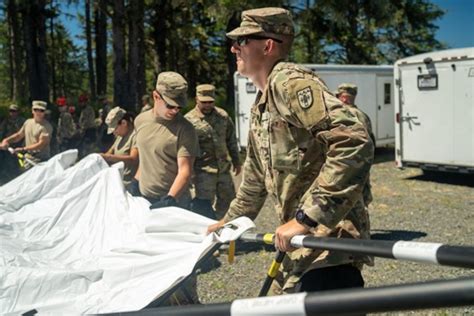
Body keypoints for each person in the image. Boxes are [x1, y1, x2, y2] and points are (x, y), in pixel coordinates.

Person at [207, 7, 374, 295]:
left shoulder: (289, 82)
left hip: (328, 249)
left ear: (268, 45)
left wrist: (307, 218)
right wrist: (226, 223)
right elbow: (254, 182)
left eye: (243, 41)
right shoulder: (262, 104)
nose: (234, 47)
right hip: (302, 251)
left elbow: (354, 138)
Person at [133, 71, 199, 209]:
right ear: (156, 96)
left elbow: (185, 171)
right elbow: (146, 156)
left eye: (179, 107)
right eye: (170, 105)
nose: (175, 111)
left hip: (174, 202)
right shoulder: (140, 121)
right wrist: (136, 181)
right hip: (143, 199)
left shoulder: (186, 129)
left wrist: (170, 198)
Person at [184, 84, 241, 219]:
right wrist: (188, 172)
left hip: (223, 170)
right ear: (196, 99)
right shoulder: (188, 120)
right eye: (204, 102)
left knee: (229, 203)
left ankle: (223, 229)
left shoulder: (223, 116)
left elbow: (231, 140)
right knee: (204, 207)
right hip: (203, 172)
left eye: (210, 102)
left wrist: (236, 161)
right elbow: (185, 149)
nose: (207, 105)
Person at [335, 83, 375, 211]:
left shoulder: (342, 115)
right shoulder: (363, 115)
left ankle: (351, 229)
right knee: (361, 195)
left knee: (345, 197)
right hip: (361, 162)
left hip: (345, 162)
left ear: (344, 98)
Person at [0, 100, 53, 169]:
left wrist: (23, 149)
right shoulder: (28, 122)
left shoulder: (47, 127)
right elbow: (19, 135)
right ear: (32, 111)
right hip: (28, 158)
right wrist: (6, 140)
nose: (38, 112)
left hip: (41, 161)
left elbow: (41, 145)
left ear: (44, 112)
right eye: (36, 109)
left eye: (41, 110)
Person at [101, 107, 138, 191]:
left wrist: (110, 157)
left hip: (129, 184)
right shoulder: (120, 137)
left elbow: (133, 158)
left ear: (124, 123)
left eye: (115, 129)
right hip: (118, 181)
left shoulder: (135, 136)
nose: (114, 132)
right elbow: (110, 151)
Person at [0, 104, 26, 180]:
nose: (12, 113)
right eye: (11, 111)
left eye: (14, 111)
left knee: (20, 162)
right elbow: (2, 132)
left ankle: (19, 174)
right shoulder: (6, 121)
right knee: (8, 161)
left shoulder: (23, 121)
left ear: (18, 112)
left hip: (20, 145)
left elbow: (23, 133)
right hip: (8, 146)